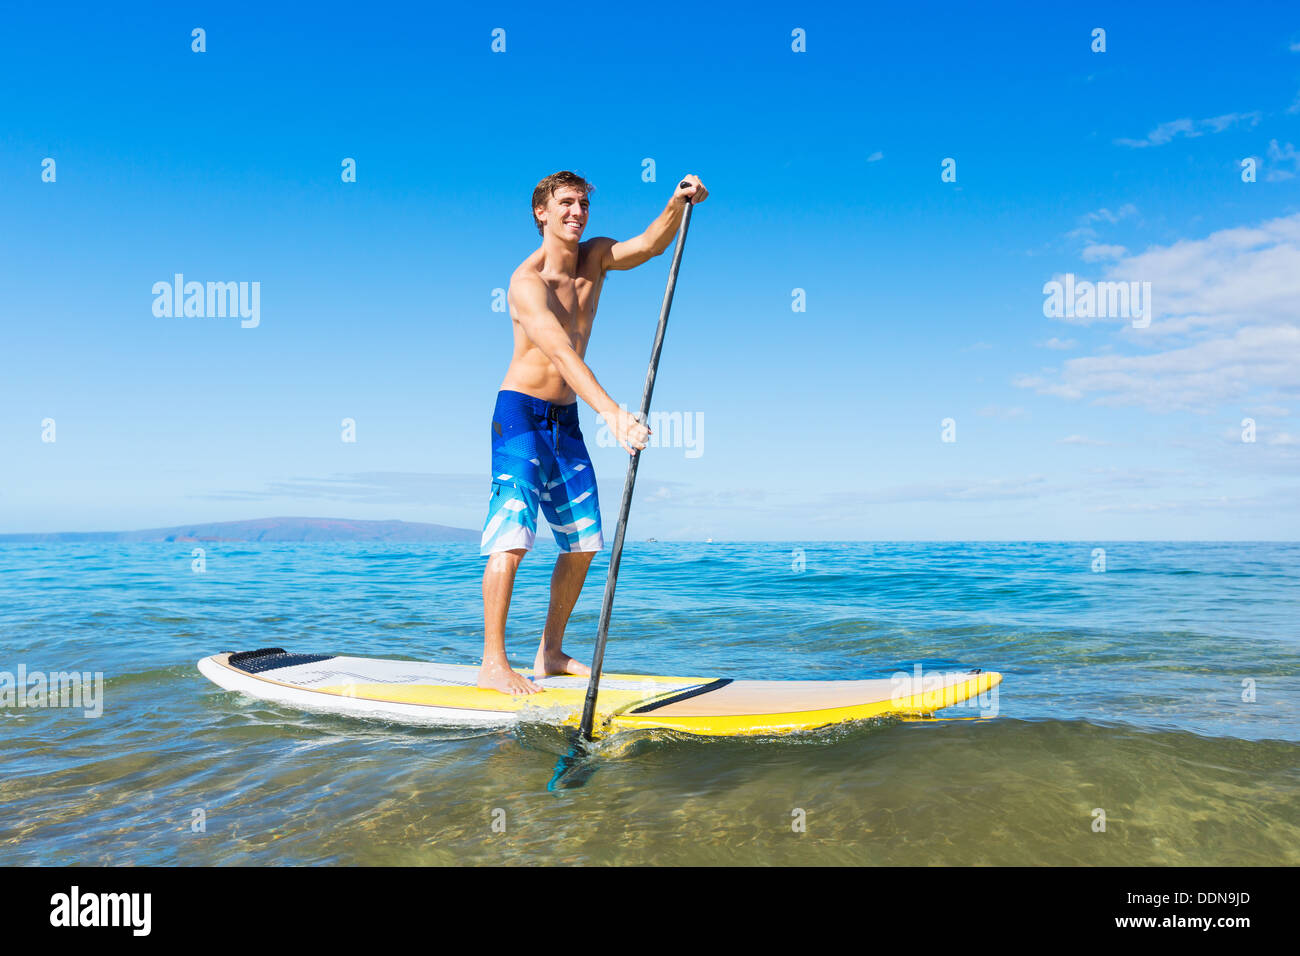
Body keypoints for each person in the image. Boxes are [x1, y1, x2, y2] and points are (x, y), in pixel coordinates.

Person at [477, 170, 708, 694]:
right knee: (511, 540)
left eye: (583, 203)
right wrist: (614, 415)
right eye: (565, 203)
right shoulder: (526, 282)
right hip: (520, 417)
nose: (576, 211)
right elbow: (559, 350)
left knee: (582, 543)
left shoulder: (596, 258)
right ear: (541, 211)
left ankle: (550, 652)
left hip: (567, 420)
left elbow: (650, 246)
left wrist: (677, 202)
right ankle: (493, 662)